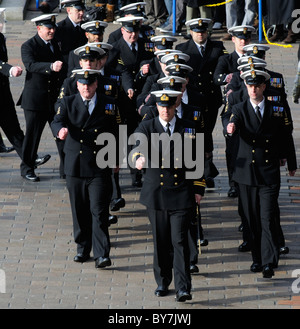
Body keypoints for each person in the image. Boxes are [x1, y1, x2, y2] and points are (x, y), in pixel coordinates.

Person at [132, 90, 204, 302]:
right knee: (161, 242)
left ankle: (183, 287)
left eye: (169, 107)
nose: (165, 110)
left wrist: (199, 189)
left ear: (175, 107)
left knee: (180, 241)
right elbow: (135, 145)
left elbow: (198, 160)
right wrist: (138, 157)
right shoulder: (148, 126)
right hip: (156, 195)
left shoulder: (188, 128)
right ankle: (163, 281)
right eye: (161, 107)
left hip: (181, 193)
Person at [226, 69, 297, 278]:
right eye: (250, 85)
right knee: (252, 219)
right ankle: (257, 259)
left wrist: (290, 162)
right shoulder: (239, 108)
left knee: (267, 217)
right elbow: (232, 122)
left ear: (264, 87)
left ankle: (269, 261)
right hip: (246, 173)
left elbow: (286, 136)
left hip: (268, 172)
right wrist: (229, 129)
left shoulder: (276, 109)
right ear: (246, 87)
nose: (254, 89)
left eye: (257, 85)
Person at [51, 69, 119, 268]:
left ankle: (102, 254)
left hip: (100, 165)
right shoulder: (68, 102)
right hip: (76, 165)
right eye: (83, 85)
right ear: (78, 85)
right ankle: (82, 248)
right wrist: (60, 131)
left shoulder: (109, 103)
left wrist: (117, 158)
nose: (86, 88)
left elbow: (116, 131)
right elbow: (57, 121)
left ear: (96, 84)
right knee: (79, 210)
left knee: (98, 211)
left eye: (90, 84)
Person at [176, 18, 227, 188]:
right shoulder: (182, 49)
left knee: (206, 132)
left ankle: (207, 168)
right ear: (191, 33)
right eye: (197, 32)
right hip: (191, 99)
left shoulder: (217, 48)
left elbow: (224, 66)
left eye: (203, 31)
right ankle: (205, 171)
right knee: (195, 133)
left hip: (211, 99)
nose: (200, 34)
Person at [18, 14, 67, 182]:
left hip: (53, 99)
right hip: (35, 100)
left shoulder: (55, 44)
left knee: (61, 133)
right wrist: (50, 67)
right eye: (48, 28)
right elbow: (30, 65)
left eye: (53, 28)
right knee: (33, 136)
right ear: (39, 28)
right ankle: (27, 168)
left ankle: (66, 168)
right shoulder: (29, 45)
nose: (52, 31)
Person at [214, 25, 255, 198]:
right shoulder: (227, 59)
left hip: (251, 108)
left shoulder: (255, 59)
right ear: (233, 40)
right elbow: (217, 78)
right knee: (232, 148)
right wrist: (229, 78)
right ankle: (233, 183)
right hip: (232, 108)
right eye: (240, 39)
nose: (243, 42)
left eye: (246, 39)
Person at [55, 0, 87, 70]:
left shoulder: (86, 26)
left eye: (82, 10)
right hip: (67, 67)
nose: (81, 13)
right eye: (78, 10)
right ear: (69, 10)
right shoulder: (60, 28)